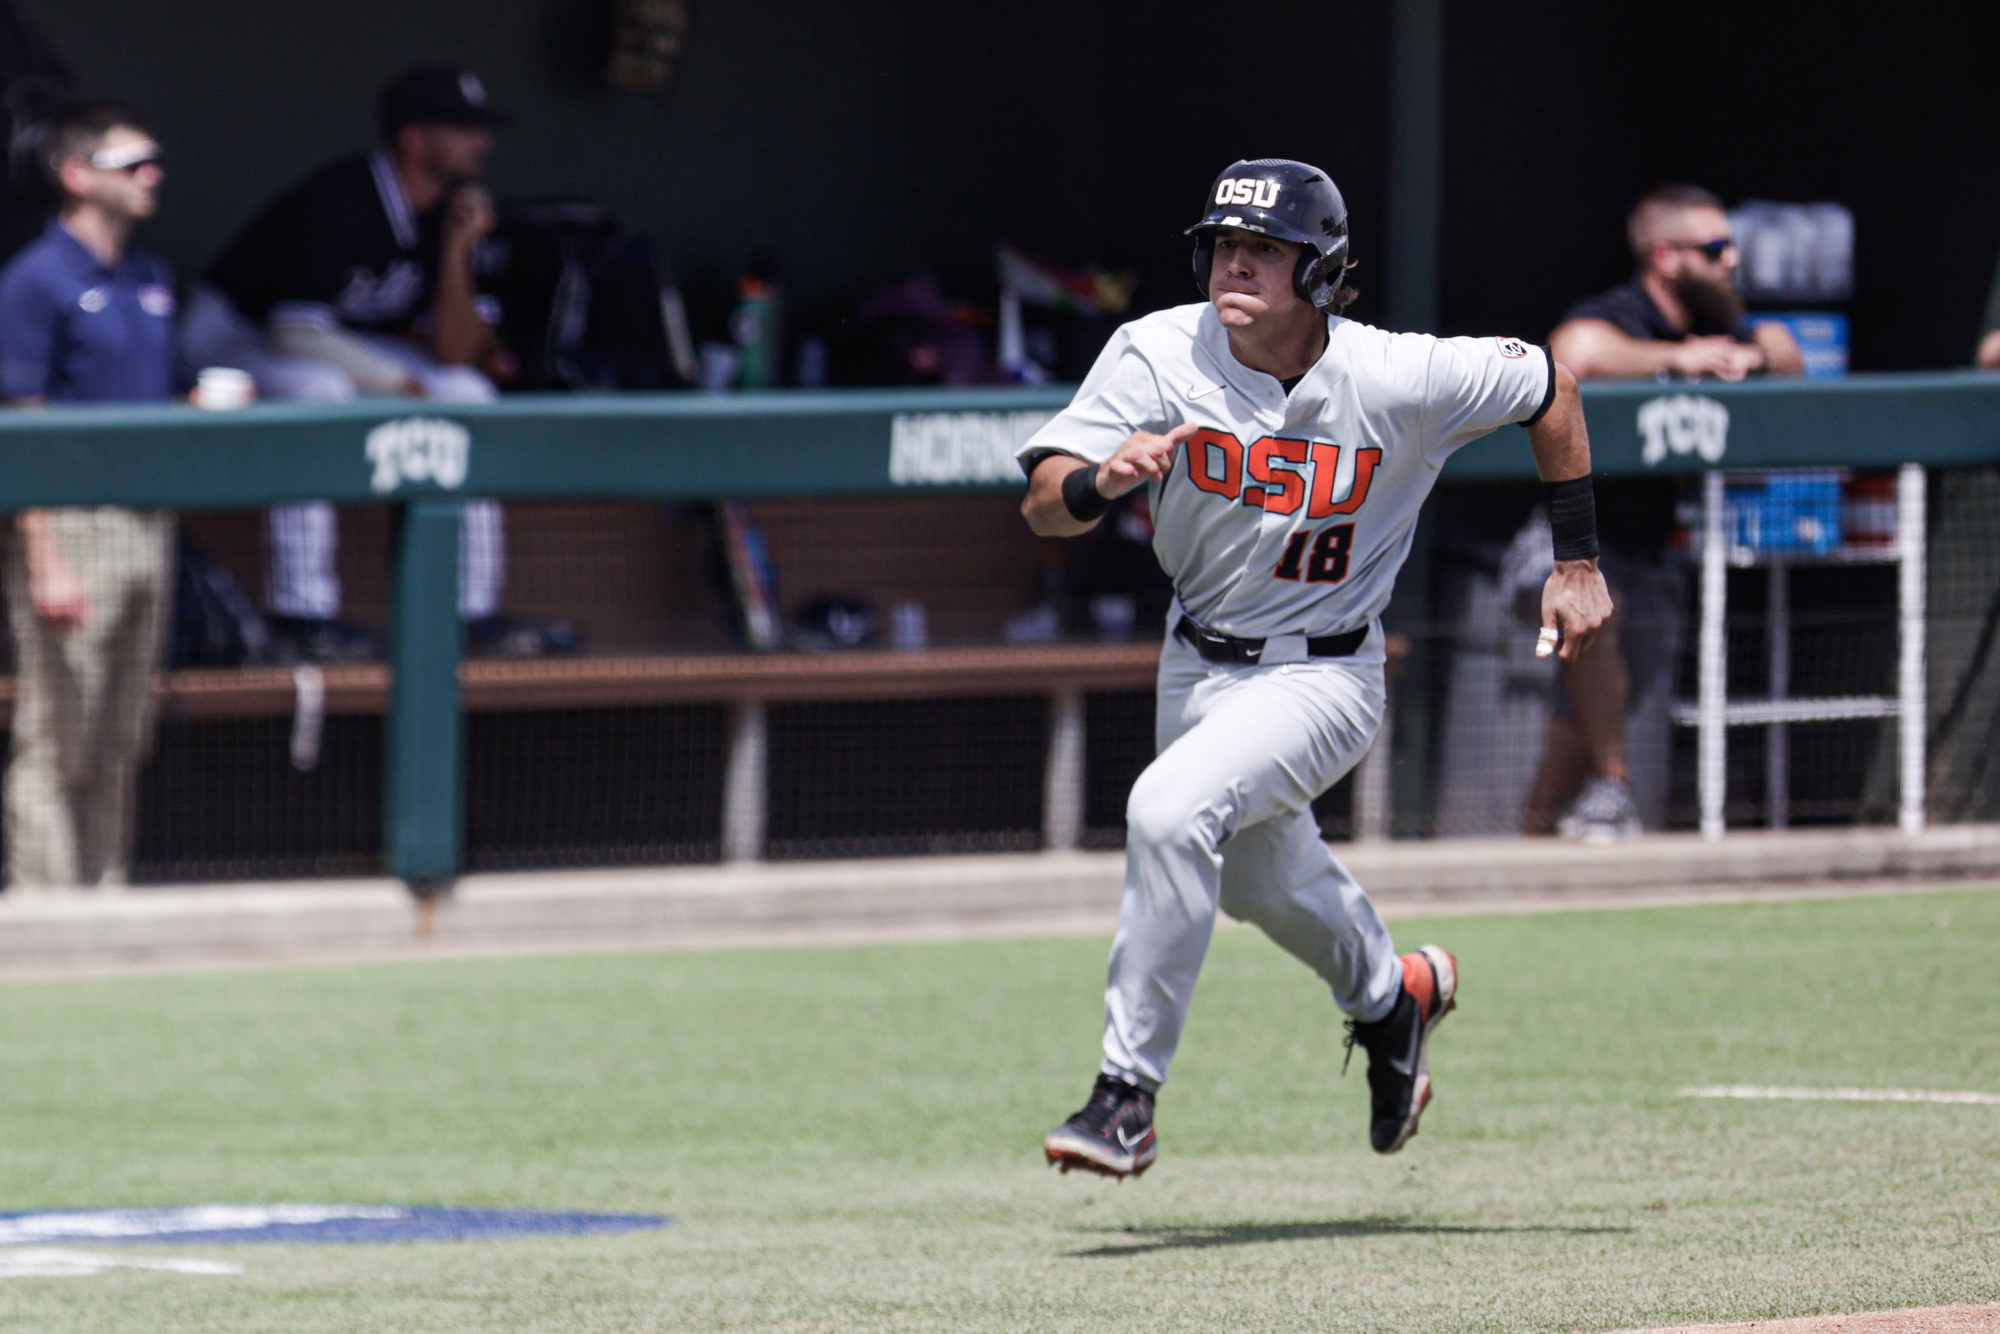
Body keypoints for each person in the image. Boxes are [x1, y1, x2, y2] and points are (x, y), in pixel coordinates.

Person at [1018, 158, 1612, 1177]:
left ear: (1322, 268)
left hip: (1325, 671)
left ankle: (1125, 1095)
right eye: (1223, 244)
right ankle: (1392, 997)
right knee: (1257, 880)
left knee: (1167, 811)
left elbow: (1549, 387)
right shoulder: (1157, 348)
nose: (1235, 263)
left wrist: (1577, 560)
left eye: (1264, 248)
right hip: (1195, 657)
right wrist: (1096, 484)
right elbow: (1041, 501)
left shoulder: (1396, 373)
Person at [181, 66, 574, 661]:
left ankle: (468, 611)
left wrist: (458, 250)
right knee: (318, 391)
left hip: (337, 340)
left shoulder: (454, 213)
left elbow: (458, 353)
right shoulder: (341, 200)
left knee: (466, 394)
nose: (482, 142)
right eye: (463, 128)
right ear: (413, 140)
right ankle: (302, 612)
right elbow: (294, 333)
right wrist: (397, 382)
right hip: (232, 333)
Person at [0, 100, 176, 888]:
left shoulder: (150, 276)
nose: (151, 175)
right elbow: (20, 426)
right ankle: (49, 913)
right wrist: (45, 556)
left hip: (148, 518)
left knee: (123, 735)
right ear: (76, 175)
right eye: (131, 163)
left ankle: (107, 900)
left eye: (153, 161)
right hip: (72, 525)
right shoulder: (33, 281)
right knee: (57, 736)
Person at [1549, 184, 1803, 382]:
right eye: (1715, 248)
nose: (1733, 259)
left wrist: (1753, 357)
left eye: (1731, 245)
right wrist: (1679, 357)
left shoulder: (1710, 314)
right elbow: (1574, 351)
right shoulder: (1622, 312)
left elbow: (1781, 346)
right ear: (1665, 258)